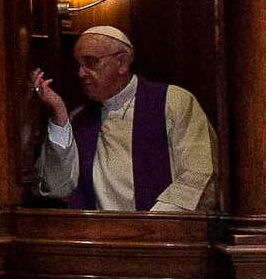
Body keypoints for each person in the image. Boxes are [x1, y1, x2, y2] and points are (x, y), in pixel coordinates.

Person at [32, 25, 216, 212]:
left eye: (90, 62)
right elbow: (57, 187)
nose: (81, 73)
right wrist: (60, 114)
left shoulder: (173, 103)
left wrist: (150, 226)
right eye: (78, 64)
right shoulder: (80, 119)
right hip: (99, 234)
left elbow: (198, 175)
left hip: (161, 233)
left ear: (122, 62)